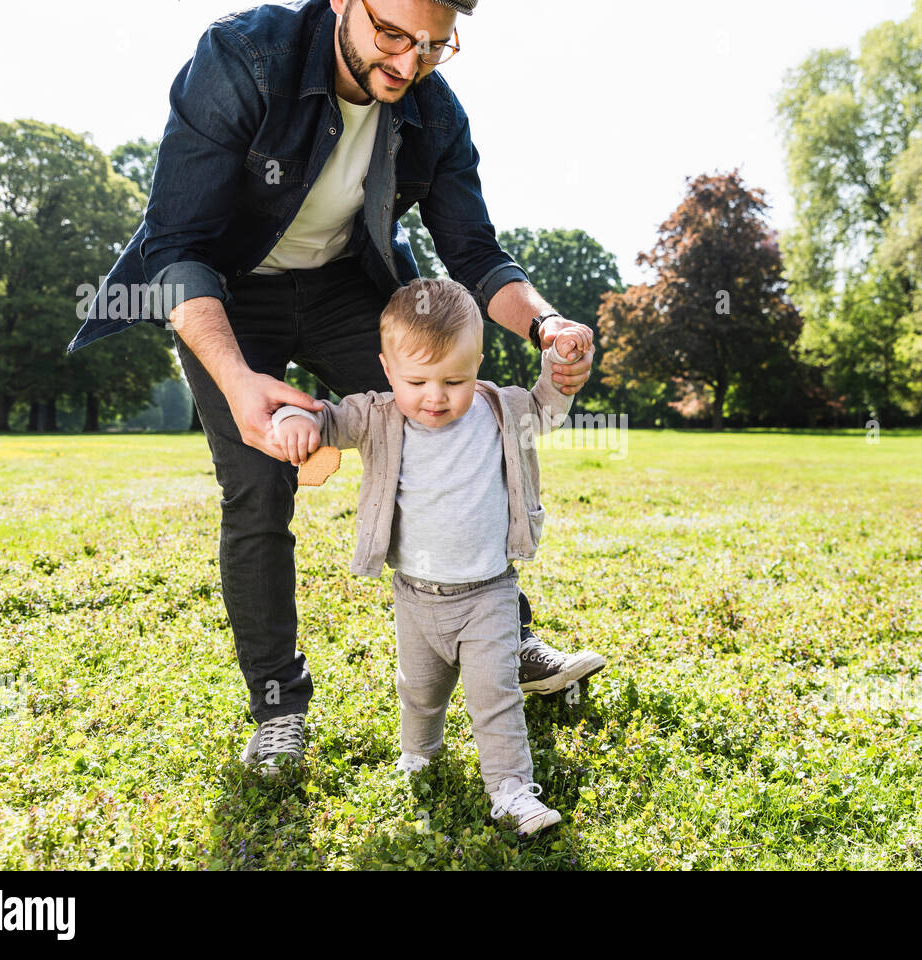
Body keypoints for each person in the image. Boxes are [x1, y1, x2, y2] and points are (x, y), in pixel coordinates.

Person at [64, 0, 605, 773]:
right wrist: (237, 378)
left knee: (451, 425)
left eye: (433, 44)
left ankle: (505, 637)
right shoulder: (242, 58)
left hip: (350, 287)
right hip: (226, 292)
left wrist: (547, 325)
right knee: (256, 487)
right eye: (391, 34)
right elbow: (176, 246)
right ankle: (279, 707)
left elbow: (475, 251)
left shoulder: (433, 110)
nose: (408, 63)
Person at [270, 277, 586, 835]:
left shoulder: (498, 410)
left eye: (454, 379)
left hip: (489, 592)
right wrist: (294, 420)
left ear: (479, 364)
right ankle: (419, 754)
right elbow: (327, 420)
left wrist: (558, 370)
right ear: (387, 370)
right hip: (414, 596)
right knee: (419, 691)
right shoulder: (378, 415)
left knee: (497, 697)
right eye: (416, 380)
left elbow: (546, 409)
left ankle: (511, 791)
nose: (435, 397)